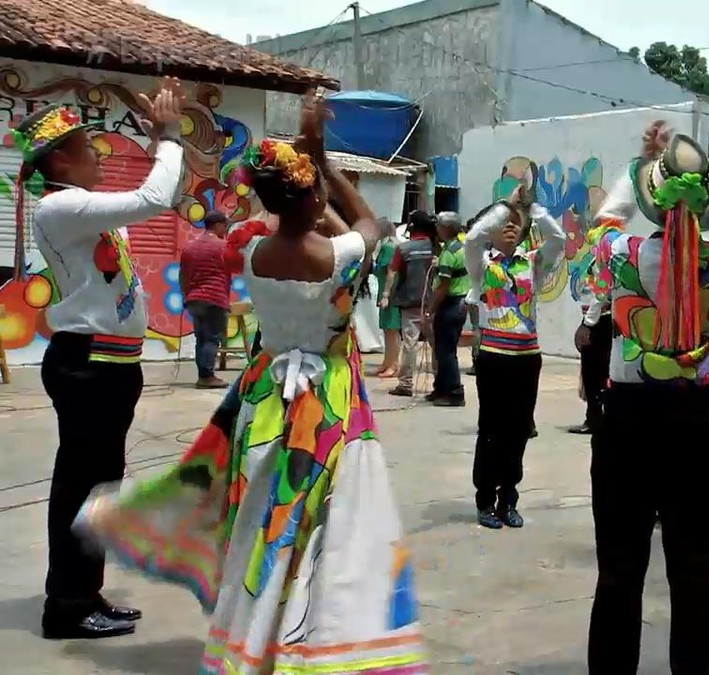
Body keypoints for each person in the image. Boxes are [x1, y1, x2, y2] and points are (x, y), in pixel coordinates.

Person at [74, 93, 426, 672]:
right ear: (312, 198)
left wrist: (309, 170)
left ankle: (249, 634)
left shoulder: (255, 251)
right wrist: (327, 162)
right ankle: (306, 638)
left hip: (264, 399)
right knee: (324, 525)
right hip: (326, 402)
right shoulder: (332, 253)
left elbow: (328, 227)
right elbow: (371, 224)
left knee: (261, 517)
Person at [16, 79, 187, 640]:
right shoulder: (64, 205)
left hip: (109, 365)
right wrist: (166, 139)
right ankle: (65, 605)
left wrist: (154, 139)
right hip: (87, 365)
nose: (99, 156)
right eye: (89, 149)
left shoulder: (81, 209)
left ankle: (84, 592)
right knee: (82, 487)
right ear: (62, 158)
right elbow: (155, 199)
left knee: (99, 487)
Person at [585, 121, 709, 675]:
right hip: (696, 423)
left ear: (654, 199)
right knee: (697, 571)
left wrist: (641, 165)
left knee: (619, 570)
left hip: (628, 422)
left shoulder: (617, 254)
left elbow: (605, 221)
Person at [464, 185, 565, 529]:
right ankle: (484, 499)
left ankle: (509, 497)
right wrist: (505, 206)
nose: (509, 226)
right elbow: (472, 238)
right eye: (503, 223)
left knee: (518, 429)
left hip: (526, 356)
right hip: (493, 356)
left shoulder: (533, 263)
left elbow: (559, 238)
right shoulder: (481, 263)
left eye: (514, 223)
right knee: (491, 429)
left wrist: (530, 207)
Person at [385, 210, 438, 397]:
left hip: (410, 302)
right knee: (435, 343)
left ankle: (406, 384)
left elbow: (391, 274)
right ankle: (440, 383)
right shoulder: (435, 247)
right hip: (434, 302)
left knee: (410, 343)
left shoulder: (404, 248)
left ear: (411, 226)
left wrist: (385, 296)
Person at [181, 209, 232, 389]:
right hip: (214, 298)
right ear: (217, 225)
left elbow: (183, 276)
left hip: (194, 299)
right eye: (225, 226)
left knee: (201, 338)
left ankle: (203, 373)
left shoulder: (189, 247)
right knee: (211, 339)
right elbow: (229, 273)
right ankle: (207, 377)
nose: (225, 229)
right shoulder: (224, 247)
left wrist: (186, 295)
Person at [423, 211, 469, 406]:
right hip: (460, 304)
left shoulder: (449, 253)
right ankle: (440, 388)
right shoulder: (460, 248)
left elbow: (443, 286)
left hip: (450, 304)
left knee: (446, 351)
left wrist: (429, 309)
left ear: (445, 229)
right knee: (443, 349)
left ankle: (454, 392)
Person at [570, 253, 612, 435]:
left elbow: (601, 293)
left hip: (599, 321)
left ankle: (595, 418)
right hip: (597, 319)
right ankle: (596, 417)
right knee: (596, 372)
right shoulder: (601, 253)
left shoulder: (607, 252)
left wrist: (587, 324)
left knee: (594, 373)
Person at [373, 231, 401, 376]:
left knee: (392, 329)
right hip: (387, 292)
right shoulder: (389, 246)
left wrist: (386, 294)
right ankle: (387, 361)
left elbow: (391, 272)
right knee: (387, 329)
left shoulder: (388, 248)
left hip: (391, 294)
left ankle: (393, 364)